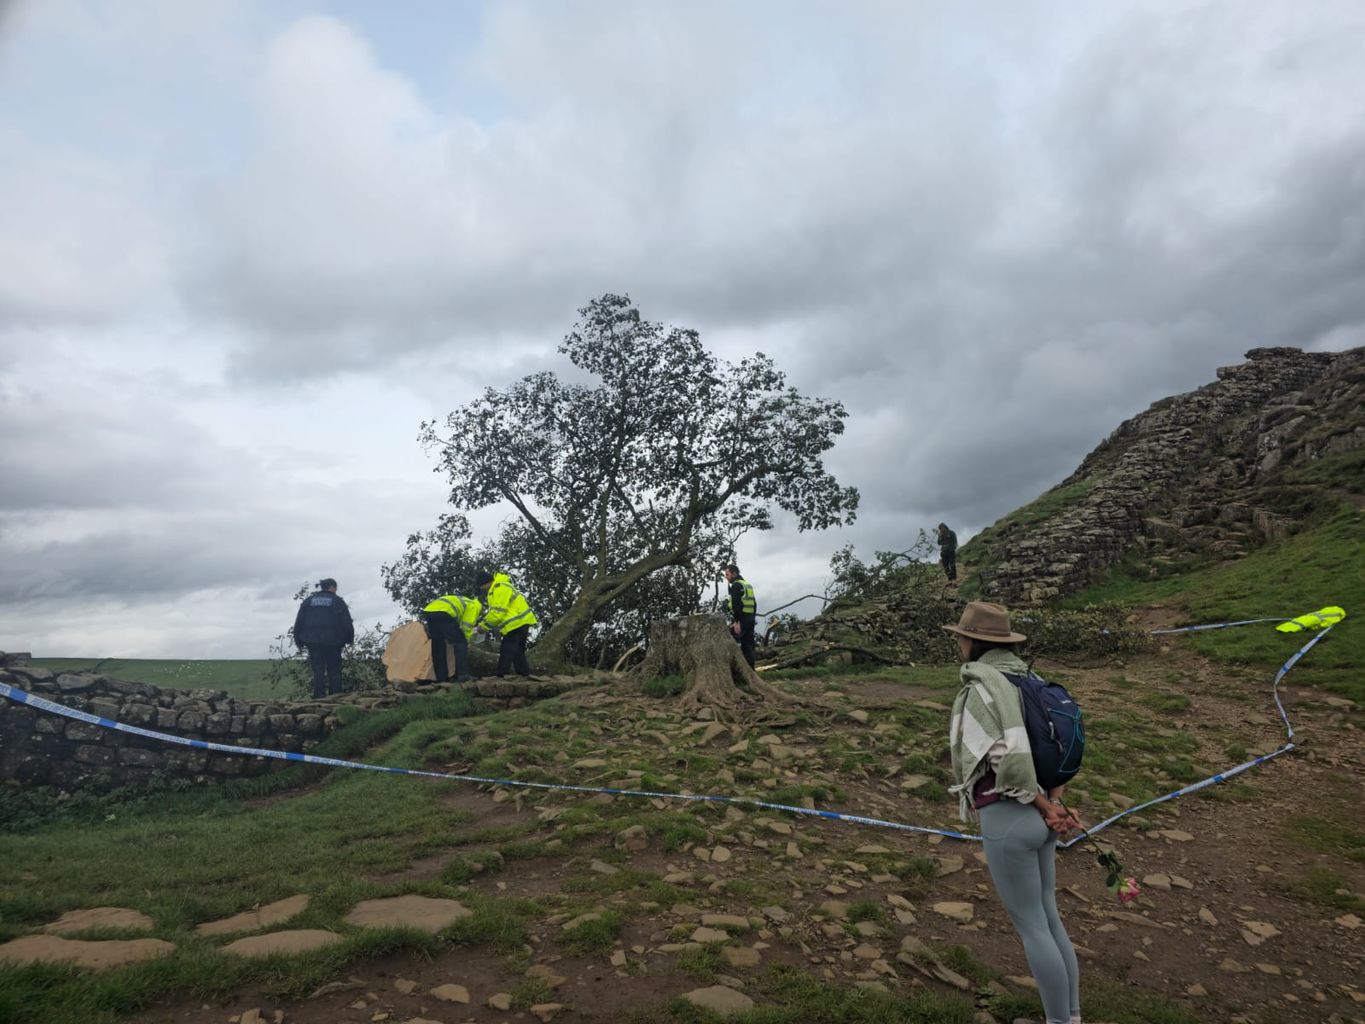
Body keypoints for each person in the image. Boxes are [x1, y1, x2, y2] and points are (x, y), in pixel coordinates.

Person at [944, 601, 1082, 1024]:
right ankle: (1071, 1016)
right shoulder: (1030, 680)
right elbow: (1054, 745)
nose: (959, 643)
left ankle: (1059, 1022)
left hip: (1010, 814)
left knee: (1032, 926)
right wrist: (1054, 802)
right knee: (1048, 916)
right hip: (1042, 812)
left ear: (973, 641)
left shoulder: (981, 689)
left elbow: (1005, 757)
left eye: (962, 637)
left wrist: (1040, 803)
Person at [292, 578, 354, 699]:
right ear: (332, 587)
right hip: (334, 642)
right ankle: (336, 697)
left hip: (313, 641)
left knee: (318, 670)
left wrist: (298, 640)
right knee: (334, 670)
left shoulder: (308, 601)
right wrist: (349, 639)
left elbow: (299, 622)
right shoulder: (337, 601)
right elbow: (346, 622)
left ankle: (319, 696)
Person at [475, 570, 538, 678]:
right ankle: (524, 673)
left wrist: (483, 626)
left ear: (486, 582)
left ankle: (501, 674)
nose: (482, 588)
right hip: (521, 621)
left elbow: (498, 611)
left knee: (506, 649)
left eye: (482, 586)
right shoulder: (499, 586)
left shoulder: (499, 587)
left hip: (516, 623)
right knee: (518, 650)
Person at [421, 593, 482, 684]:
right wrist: (466, 641)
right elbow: (466, 626)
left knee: (438, 646)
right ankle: (463, 675)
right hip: (445, 613)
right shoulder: (474, 606)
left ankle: (441, 678)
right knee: (460, 642)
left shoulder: (462, 600)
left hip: (430, 612)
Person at [721, 564, 757, 668]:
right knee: (749, 644)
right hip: (750, 618)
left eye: (727, 574)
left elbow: (737, 605)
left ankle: (739, 669)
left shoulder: (736, 585)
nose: (726, 577)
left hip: (742, 619)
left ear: (734, 573)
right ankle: (751, 670)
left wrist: (737, 622)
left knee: (729, 637)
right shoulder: (746, 584)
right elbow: (754, 603)